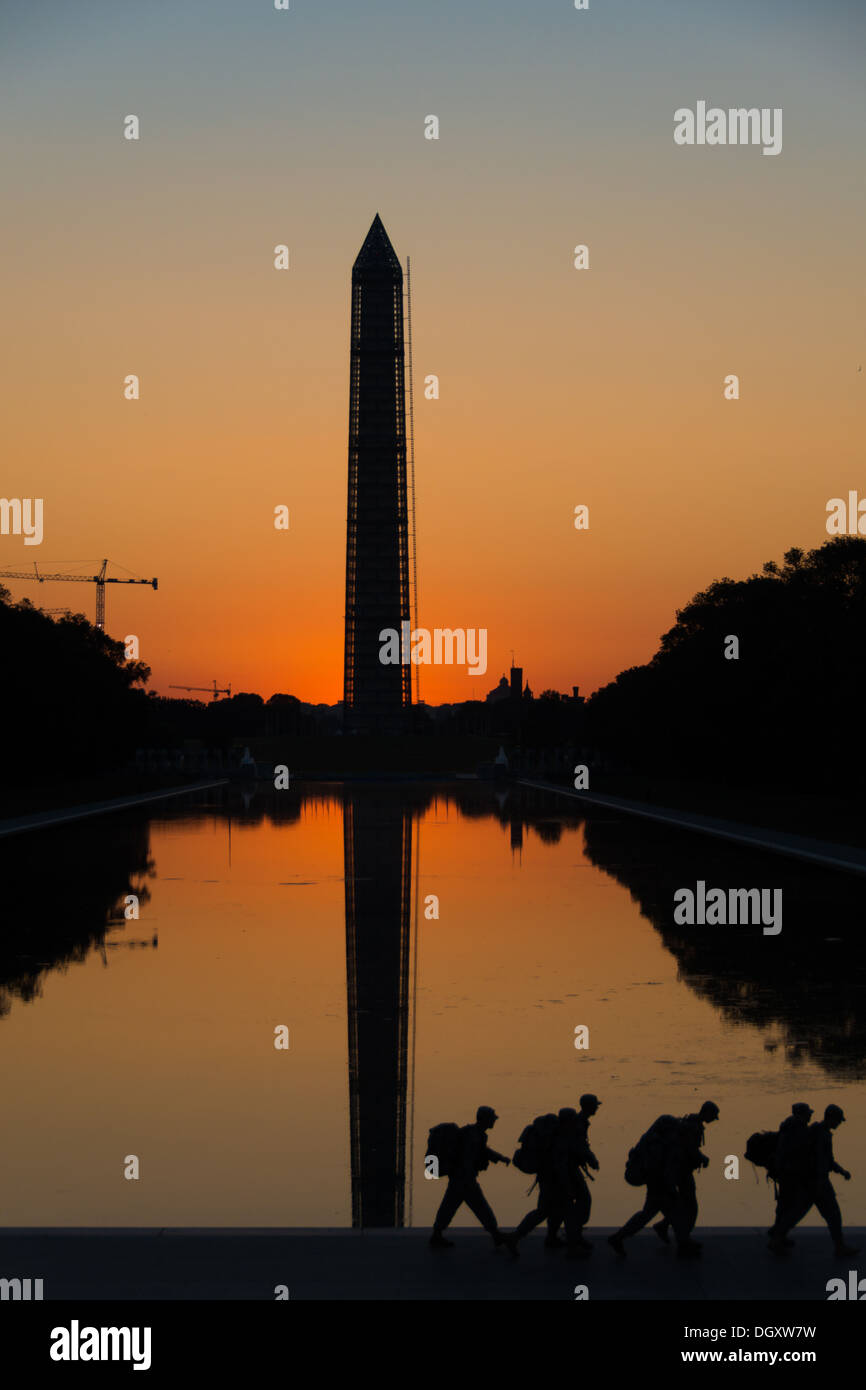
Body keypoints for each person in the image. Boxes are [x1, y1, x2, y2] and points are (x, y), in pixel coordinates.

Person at [608, 1110, 706, 1259]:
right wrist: (670, 1186)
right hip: (659, 1186)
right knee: (668, 1213)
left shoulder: (657, 1141)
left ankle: (620, 1237)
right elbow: (663, 1169)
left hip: (657, 1184)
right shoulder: (659, 1145)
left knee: (653, 1214)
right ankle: (683, 1244)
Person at [770, 1104, 858, 1257]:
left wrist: (842, 1171)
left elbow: (827, 1161)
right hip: (818, 1183)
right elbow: (821, 1161)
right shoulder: (821, 1135)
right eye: (838, 1120)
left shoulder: (815, 1131)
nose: (839, 1123)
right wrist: (820, 1181)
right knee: (833, 1214)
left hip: (809, 1182)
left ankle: (777, 1238)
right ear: (831, 1118)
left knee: (796, 1213)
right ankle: (840, 1247)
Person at [504, 1109, 589, 1257]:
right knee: (568, 1212)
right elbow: (559, 1166)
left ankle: (516, 1237)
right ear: (567, 1121)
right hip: (555, 1182)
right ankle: (572, 1248)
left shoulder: (551, 1135)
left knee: (542, 1212)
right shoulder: (559, 1139)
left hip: (545, 1179)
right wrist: (567, 1187)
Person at [429, 1105, 511, 1248]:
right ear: (485, 1120)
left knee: (451, 1205)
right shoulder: (473, 1135)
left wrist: (499, 1158)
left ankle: (437, 1234)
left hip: (461, 1178)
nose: (494, 1121)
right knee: (478, 1206)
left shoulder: (476, 1133)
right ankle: (495, 1234)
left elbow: (483, 1151)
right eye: (492, 1119)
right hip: (464, 1178)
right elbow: (471, 1155)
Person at [653, 1100, 719, 1247]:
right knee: (691, 1207)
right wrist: (703, 1158)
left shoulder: (689, 1122)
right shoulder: (693, 1127)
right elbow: (690, 1149)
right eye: (713, 1116)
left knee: (682, 1204)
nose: (714, 1119)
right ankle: (684, 1238)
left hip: (678, 1170)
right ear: (706, 1112)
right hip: (681, 1172)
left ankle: (664, 1226)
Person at [546, 1094, 601, 1248]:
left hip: (565, 1169)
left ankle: (554, 1237)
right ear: (589, 1106)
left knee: (559, 1206)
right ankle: (574, 1237)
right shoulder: (577, 1124)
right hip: (566, 1170)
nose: (597, 1107)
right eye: (595, 1105)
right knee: (583, 1201)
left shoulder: (577, 1122)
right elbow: (579, 1146)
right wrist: (591, 1159)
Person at [767, 1103, 813, 1248]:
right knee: (794, 1206)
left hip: (785, 1172)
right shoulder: (798, 1128)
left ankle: (779, 1233)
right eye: (808, 1113)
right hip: (791, 1174)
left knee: (784, 1205)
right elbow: (799, 1152)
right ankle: (777, 1237)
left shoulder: (789, 1126)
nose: (810, 1115)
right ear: (802, 1114)